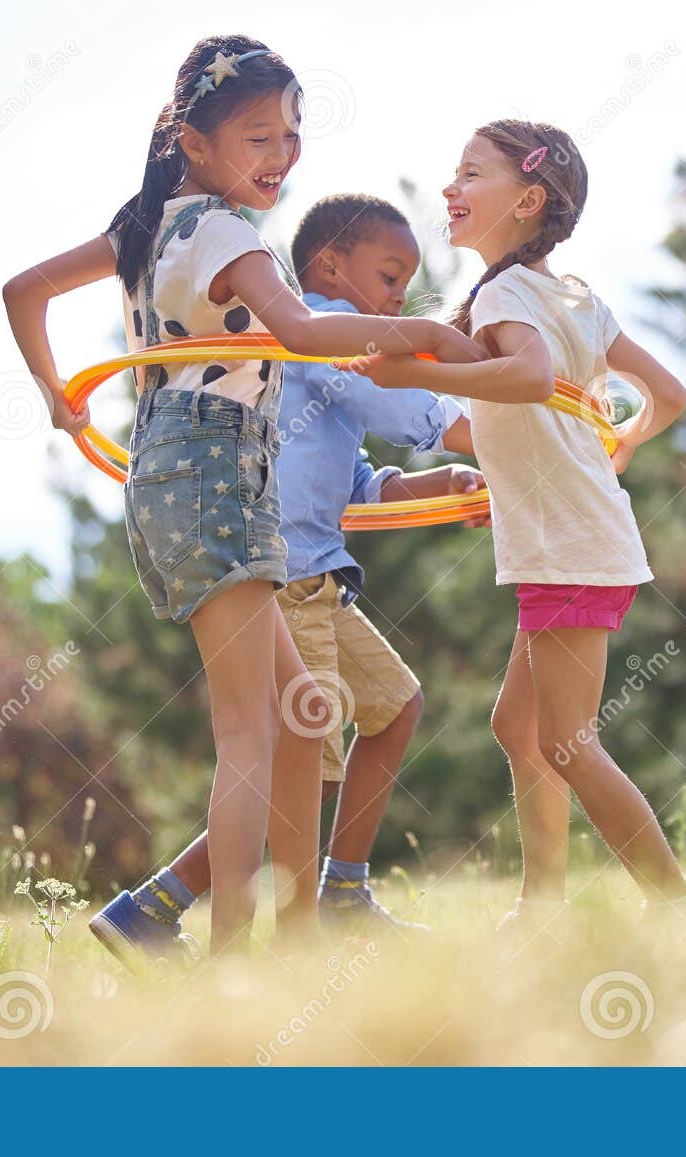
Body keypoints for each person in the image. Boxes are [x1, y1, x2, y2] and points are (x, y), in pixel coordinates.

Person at [1, 36, 481, 963]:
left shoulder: (142, 232)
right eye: (260, 135)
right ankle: (232, 964)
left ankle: (295, 935)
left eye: (293, 134)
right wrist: (424, 330)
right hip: (215, 476)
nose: (283, 154)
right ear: (191, 138)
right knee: (252, 732)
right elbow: (301, 328)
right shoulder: (223, 233)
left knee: (300, 720)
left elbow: (24, 293)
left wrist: (59, 399)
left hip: (181, 473)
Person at [341, 119, 686, 923]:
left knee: (569, 740)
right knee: (519, 725)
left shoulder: (503, 294)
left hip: (567, 542)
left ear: (528, 199)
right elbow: (670, 394)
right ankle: (542, 906)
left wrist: (388, 363)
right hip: (583, 533)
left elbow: (529, 379)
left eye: (471, 173)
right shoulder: (576, 297)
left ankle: (679, 903)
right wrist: (626, 443)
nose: (450, 188)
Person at [156, 193, 487, 932]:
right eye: (390, 275)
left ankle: (342, 891)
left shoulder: (329, 359)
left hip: (320, 577)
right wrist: (502, 418)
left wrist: (440, 483)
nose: (401, 295)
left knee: (395, 708)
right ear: (331, 266)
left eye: (406, 283)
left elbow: (356, 482)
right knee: (294, 762)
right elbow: (411, 413)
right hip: (286, 577)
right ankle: (171, 905)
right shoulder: (323, 335)